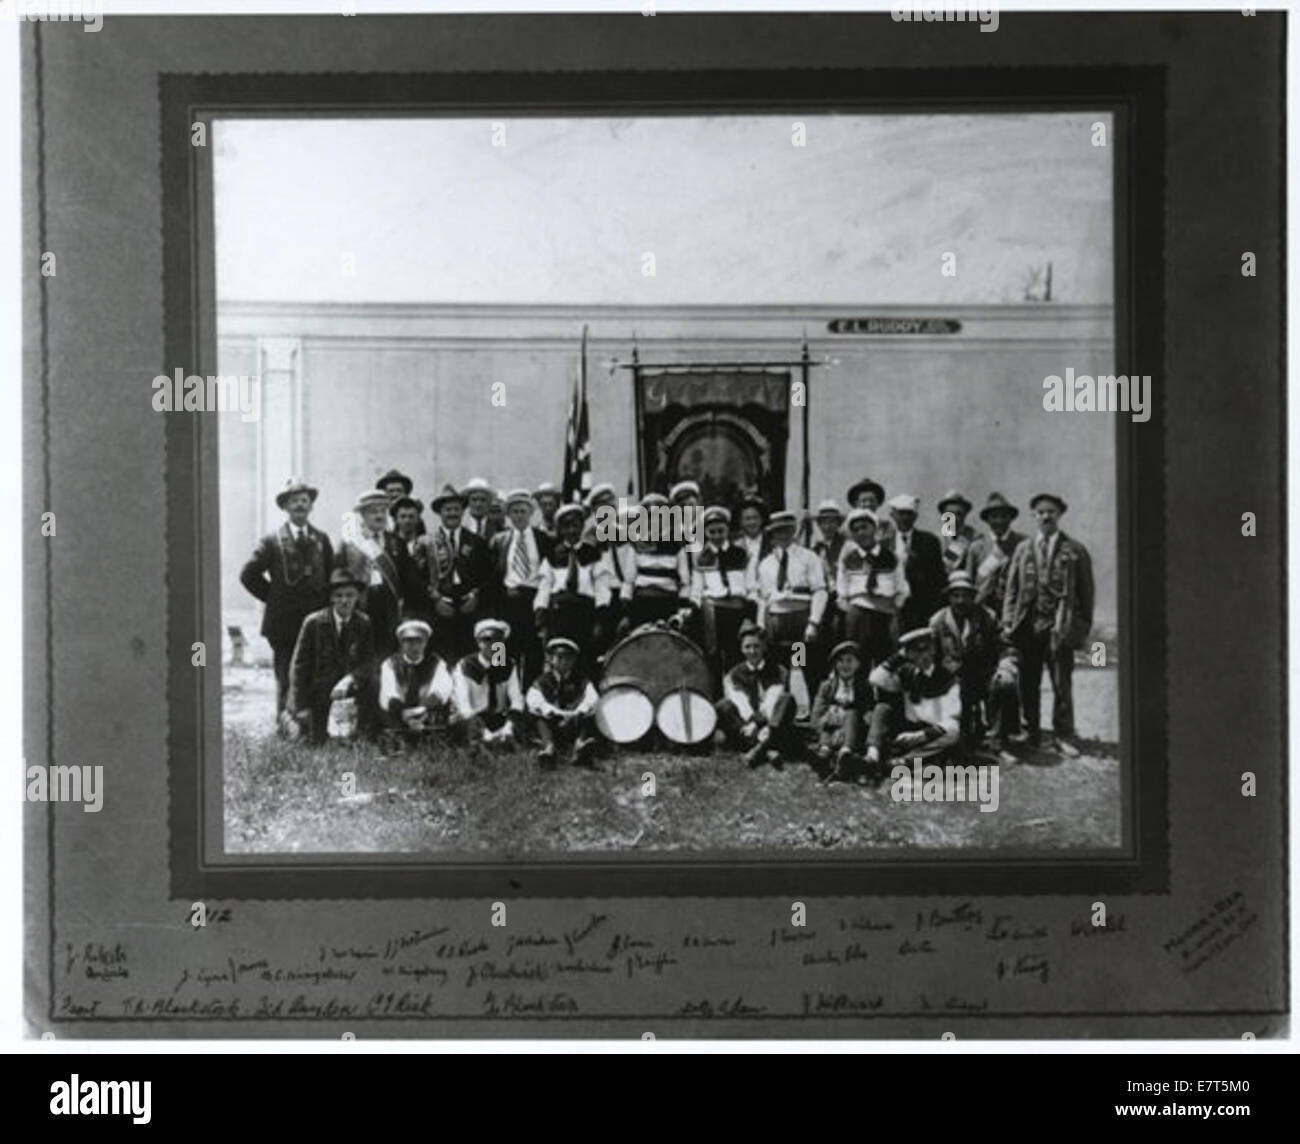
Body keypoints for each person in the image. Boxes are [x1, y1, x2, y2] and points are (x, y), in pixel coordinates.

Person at [1001, 492, 1094, 757]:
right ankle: (1032, 733)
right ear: (1034, 516)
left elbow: (1086, 595)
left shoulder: (1075, 550)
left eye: (1051, 511)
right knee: (1028, 683)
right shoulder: (1023, 549)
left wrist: (1079, 629)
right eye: (1040, 512)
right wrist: (1008, 620)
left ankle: (1063, 735)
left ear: (1060, 514)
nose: (1046, 516)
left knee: (1061, 683)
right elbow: (1012, 589)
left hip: (1059, 628)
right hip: (1027, 627)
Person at [239, 477, 334, 717]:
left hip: (315, 621)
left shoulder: (321, 540)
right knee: (286, 676)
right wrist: (273, 598)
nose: (300, 505)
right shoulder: (272, 541)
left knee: (313, 673)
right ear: (285, 507)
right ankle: (285, 728)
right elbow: (248, 575)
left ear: (311, 506)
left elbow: (332, 577)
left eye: (305, 500)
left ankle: (311, 729)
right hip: (283, 624)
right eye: (294, 501)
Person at [929, 570, 1019, 759]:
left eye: (965, 595)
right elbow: (930, 657)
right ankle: (964, 736)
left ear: (973, 596)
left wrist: (1005, 667)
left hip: (983, 676)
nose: (961, 600)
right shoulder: (937, 622)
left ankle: (998, 743)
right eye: (956, 595)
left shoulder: (987, 617)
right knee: (960, 745)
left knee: (1003, 684)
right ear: (949, 597)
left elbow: (1006, 647)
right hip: (953, 680)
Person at [286, 567, 377, 745]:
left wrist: (350, 679)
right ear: (331, 598)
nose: (344, 601)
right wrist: (301, 706)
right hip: (319, 691)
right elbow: (299, 667)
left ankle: (363, 732)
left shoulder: (363, 622)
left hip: (348, 690)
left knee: (373, 682)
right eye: (339, 595)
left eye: (350, 595)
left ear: (357, 597)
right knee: (312, 741)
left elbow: (370, 661)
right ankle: (297, 722)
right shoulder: (313, 622)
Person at [754, 509, 826, 720]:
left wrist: (813, 622)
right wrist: (761, 625)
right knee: (778, 668)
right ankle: (781, 714)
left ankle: (804, 713)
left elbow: (820, 590)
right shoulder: (766, 563)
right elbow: (762, 598)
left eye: (786, 531)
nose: (782, 536)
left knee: (799, 665)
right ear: (772, 535)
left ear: (794, 531)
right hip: (776, 621)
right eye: (777, 532)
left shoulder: (807, 557)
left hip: (798, 619)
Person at [865, 628, 961, 772]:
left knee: (953, 734)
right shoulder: (907, 672)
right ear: (909, 654)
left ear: (934, 650)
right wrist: (899, 656)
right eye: (916, 651)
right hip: (908, 728)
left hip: (930, 733)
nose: (923, 656)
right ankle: (872, 757)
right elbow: (875, 679)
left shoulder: (947, 678)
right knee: (882, 708)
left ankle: (906, 761)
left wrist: (921, 736)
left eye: (927, 649)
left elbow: (951, 720)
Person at [715, 620, 797, 768]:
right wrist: (752, 723)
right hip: (746, 723)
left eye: (756, 646)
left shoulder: (778, 670)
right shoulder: (734, 674)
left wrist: (762, 725)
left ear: (764, 647)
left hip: (771, 722)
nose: (752, 651)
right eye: (747, 647)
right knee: (723, 706)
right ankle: (768, 748)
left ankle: (758, 749)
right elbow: (740, 702)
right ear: (741, 649)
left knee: (786, 700)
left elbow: (772, 700)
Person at [490, 489, 552, 686]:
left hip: (533, 602)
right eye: (514, 511)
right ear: (508, 515)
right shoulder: (499, 540)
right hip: (507, 602)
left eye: (522, 511)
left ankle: (530, 697)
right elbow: (493, 577)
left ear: (531, 513)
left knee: (533, 653)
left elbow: (549, 573)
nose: (518, 515)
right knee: (500, 651)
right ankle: (499, 696)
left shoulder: (543, 539)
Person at [428, 483, 492, 664]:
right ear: (440, 513)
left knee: (489, 647)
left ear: (463, 512)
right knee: (443, 659)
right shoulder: (427, 542)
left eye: (456, 509)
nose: (452, 513)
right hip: (441, 608)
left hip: (470, 606)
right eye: (447, 509)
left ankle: (498, 680)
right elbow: (417, 579)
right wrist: (436, 600)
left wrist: (476, 596)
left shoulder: (477, 542)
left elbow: (491, 576)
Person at [535, 503, 609, 657]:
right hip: (559, 613)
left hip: (584, 612)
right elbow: (545, 587)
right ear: (560, 530)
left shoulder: (592, 554)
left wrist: (600, 620)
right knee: (560, 655)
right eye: (567, 527)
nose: (572, 531)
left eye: (576, 526)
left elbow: (601, 588)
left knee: (585, 656)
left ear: (582, 527)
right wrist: (542, 619)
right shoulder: (552, 555)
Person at [336, 489, 403, 661]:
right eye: (374, 511)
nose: (379, 515)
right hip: (360, 607)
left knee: (386, 658)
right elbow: (337, 575)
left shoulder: (396, 541)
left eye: (383, 511)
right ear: (363, 515)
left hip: (388, 611)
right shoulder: (349, 543)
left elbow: (406, 578)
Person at [836, 507, 904, 673]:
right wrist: (854, 610)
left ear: (874, 529)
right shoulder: (848, 559)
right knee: (860, 663)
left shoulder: (891, 557)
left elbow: (901, 589)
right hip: (858, 615)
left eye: (865, 527)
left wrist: (892, 609)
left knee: (886, 664)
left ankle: (887, 698)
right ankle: (861, 697)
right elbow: (842, 592)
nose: (861, 532)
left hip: (885, 615)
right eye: (856, 529)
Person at [689, 506, 751, 684]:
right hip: (714, 611)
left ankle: (739, 693)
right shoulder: (701, 557)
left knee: (737, 654)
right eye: (712, 532)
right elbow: (697, 586)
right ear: (706, 533)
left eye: (721, 531)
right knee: (713, 656)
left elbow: (749, 582)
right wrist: (694, 603)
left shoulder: (740, 554)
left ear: (727, 530)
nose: (717, 536)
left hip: (738, 609)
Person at [378, 618, 454, 750]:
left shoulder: (436, 663)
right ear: (401, 643)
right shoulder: (390, 663)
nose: (414, 646)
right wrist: (404, 714)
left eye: (419, 641)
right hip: (400, 715)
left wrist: (423, 710)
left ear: (426, 642)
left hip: (427, 715)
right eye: (409, 641)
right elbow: (389, 693)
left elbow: (442, 689)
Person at [451, 618, 526, 748]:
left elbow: (516, 700)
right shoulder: (465, 665)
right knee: (460, 724)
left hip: (498, 717)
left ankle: (504, 737)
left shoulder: (508, 664)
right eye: (487, 640)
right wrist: (484, 732)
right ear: (478, 642)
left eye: (498, 640)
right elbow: (464, 706)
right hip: (473, 717)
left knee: (522, 718)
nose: (492, 645)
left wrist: (508, 727)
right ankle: (484, 741)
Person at [526, 637, 599, 768]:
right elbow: (533, 699)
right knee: (536, 713)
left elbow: (592, 697)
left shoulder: (581, 679)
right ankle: (549, 747)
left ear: (574, 660)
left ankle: (580, 745)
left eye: (568, 658)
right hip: (553, 722)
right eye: (559, 657)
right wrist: (552, 712)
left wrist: (579, 711)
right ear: (551, 659)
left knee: (591, 712)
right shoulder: (543, 680)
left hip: (575, 721)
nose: (564, 662)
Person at [623, 493, 692, 632]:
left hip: (668, 601)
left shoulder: (676, 545)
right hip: (642, 601)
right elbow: (629, 580)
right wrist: (626, 609)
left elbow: (685, 581)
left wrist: (682, 605)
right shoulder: (637, 545)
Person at [811, 640, 873, 779]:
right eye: (841, 661)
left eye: (849, 661)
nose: (845, 665)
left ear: (858, 664)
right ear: (835, 665)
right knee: (831, 713)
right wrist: (830, 716)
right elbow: (816, 716)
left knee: (851, 712)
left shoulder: (864, 687)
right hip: (830, 730)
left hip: (852, 731)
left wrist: (847, 718)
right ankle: (824, 754)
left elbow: (868, 714)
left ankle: (845, 754)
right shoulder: (826, 686)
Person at [964, 491, 1027, 620]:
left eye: (1004, 516)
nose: (999, 521)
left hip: (1015, 611)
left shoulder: (1023, 544)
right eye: (994, 516)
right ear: (987, 520)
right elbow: (969, 584)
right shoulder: (976, 547)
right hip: (983, 611)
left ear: (1011, 518)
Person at [888, 493, 945, 632]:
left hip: (921, 607)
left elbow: (938, 577)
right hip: (891, 607)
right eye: (901, 513)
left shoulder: (929, 541)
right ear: (893, 515)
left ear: (915, 516)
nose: (905, 518)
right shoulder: (884, 543)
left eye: (909, 514)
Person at [389, 495, 437, 624]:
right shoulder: (389, 545)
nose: (407, 520)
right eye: (403, 516)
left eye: (411, 516)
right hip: (397, 607)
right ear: (396, 520)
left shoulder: (427, 544)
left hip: (424, 607)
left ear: (418, 519)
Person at [811, 499, 846, 656]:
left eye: (832, 522)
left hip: (840, 597)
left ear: (838, 524)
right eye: (824, 522)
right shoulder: (815, 548)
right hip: (819, 597)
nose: (828, 526)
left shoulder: (847, 545)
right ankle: (799, 668)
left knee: (837, 634)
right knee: (807, 640)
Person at [936, 489, 978, 574]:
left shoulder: (974, 537)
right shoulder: (937, 539)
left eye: (958, 514)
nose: (954, 518)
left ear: (965, 515)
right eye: (949, 514)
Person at [735, 495, 769, 587]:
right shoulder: (736, 546)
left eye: (755, 518)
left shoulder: (771, 544)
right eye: (747, 519)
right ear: (741, 522)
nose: (752, 523)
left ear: (761, 519)